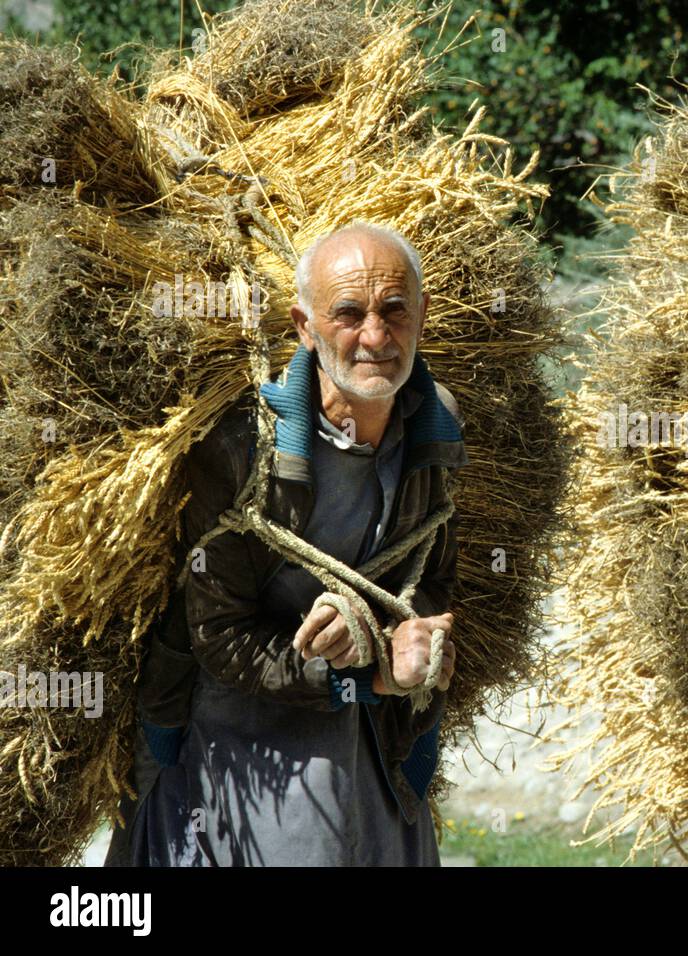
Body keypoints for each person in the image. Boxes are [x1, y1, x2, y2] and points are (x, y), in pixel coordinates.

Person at [105, 221, 467, 865]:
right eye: (348, 314)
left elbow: (433, 574)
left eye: (395, 310)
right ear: (305, 327)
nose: (376, 337)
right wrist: (357, 673)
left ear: (423, 314)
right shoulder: (243, 446)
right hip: (244, 748)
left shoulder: (436, 425)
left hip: (375, 748)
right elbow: (217, 633)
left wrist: (407, 637)